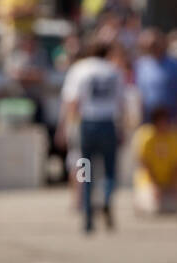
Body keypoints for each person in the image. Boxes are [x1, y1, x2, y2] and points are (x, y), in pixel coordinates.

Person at [59, 42, 125, 233]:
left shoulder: (80, 69)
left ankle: (87, 216)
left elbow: (72, 101)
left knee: (84, 170)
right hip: (108, 123)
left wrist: (67, 128)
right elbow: (122, 102)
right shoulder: (114, 71)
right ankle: (105, 198)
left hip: (86, 124)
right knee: (110, 170)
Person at [130, 106, 177, 214]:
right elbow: (144, 163)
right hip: (149, 182)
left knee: (174, 207)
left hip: (169, 182)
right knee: (153, 208)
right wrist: (155, 186)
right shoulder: (145, 136)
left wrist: (174, 184)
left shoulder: (174, 137)